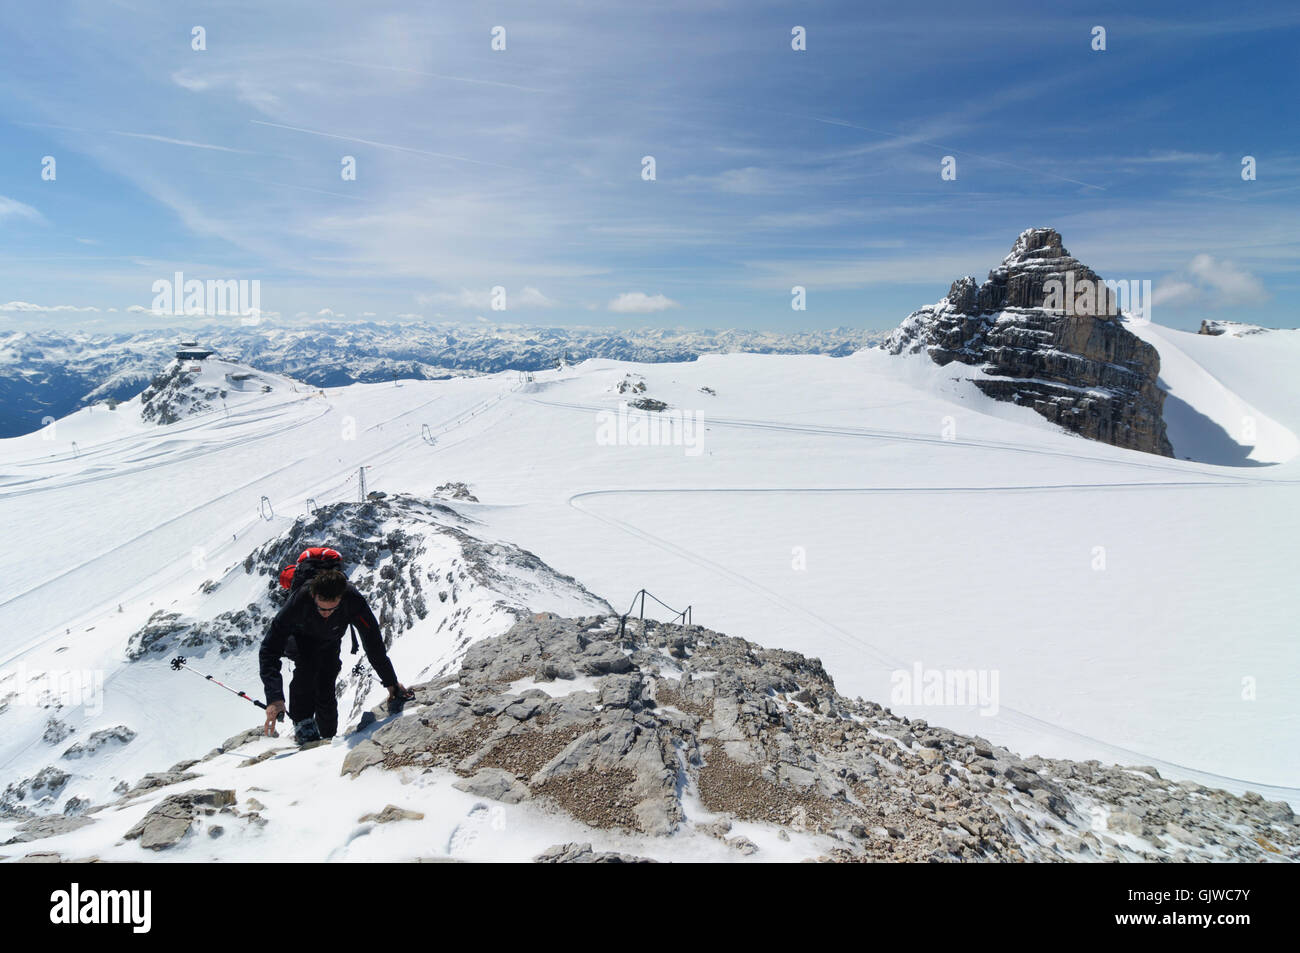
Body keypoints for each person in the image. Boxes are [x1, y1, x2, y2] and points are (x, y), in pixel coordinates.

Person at [259, 568, 413, 743]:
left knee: (327, 684)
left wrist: (391, 682)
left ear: (341, 597)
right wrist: (274, 698)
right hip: (301, 638)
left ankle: (327, 738)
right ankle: (303, 726)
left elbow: (373, 644)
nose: (326, 613)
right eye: (321, 608)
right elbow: (269, 650)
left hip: (330, 640)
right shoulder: (299, 601)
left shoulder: (353, 601)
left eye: (332, 609)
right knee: (306, 671)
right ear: (313, 595)